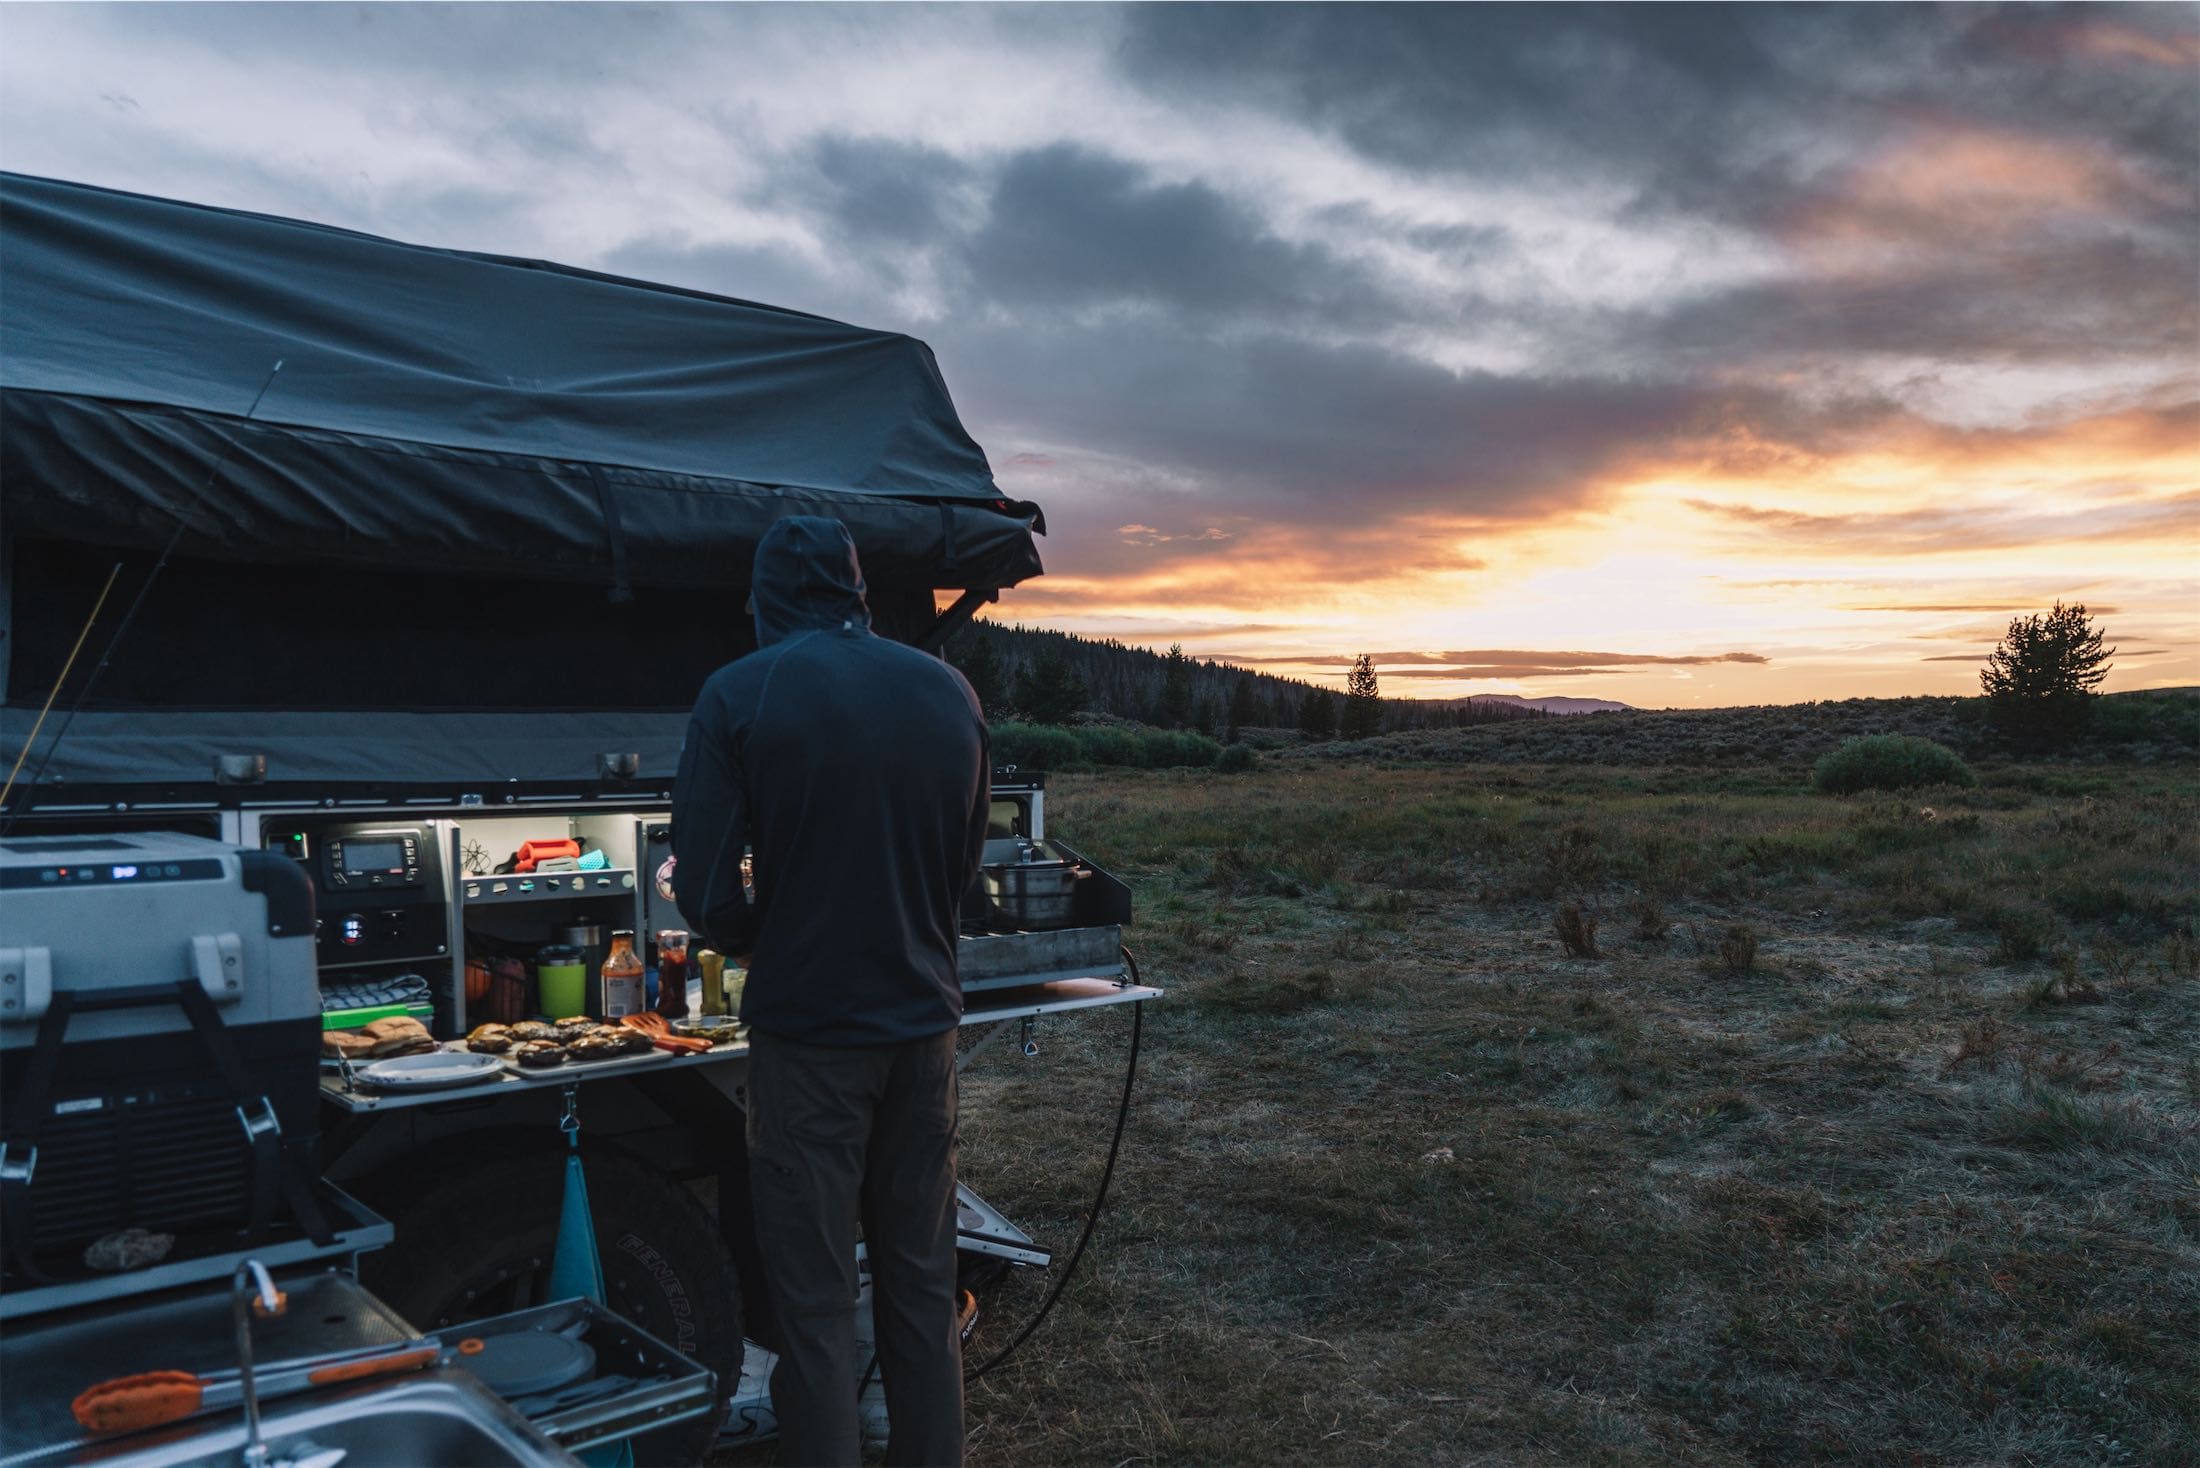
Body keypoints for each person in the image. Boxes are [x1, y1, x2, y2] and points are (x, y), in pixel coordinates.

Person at [672, 515, 988, 1468]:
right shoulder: (947, 690)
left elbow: (710, 892)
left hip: (810, 1039)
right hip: (925, 1031)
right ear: (855, 589)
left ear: (766, 596)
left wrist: (766, 934)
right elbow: (962, 874)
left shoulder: (740, 692)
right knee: (920, 1278)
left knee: (812, 1298)